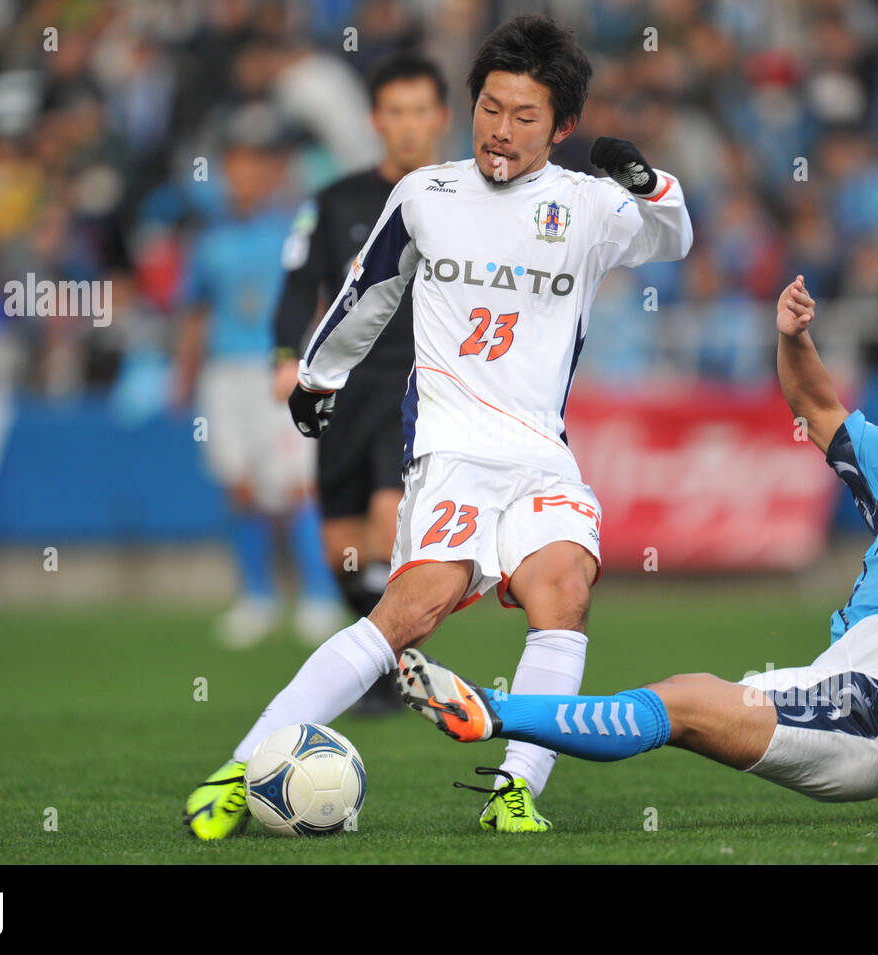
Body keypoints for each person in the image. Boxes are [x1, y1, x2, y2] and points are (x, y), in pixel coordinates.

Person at [184, 14, 693, 839]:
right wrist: (319, 374)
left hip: (539, 456)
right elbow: (368, 292)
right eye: (490, 107)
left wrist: (648, 182)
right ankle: (241, 770)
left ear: (560, 126)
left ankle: (514, 789)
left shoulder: (588, 206)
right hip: (451, 452)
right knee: (409, 614)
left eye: (525, 117)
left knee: (563, 589)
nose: (501, 130)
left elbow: (675, 238)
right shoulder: (425, 194)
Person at [393, 275, 878, 824]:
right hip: (842, 702)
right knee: (684, 698)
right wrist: (793, 339)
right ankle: (487, 711)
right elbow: (817, 405)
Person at [271, 53, 451, 713]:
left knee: (387, 521)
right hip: (346, 388)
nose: (409, 127)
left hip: (420, 388)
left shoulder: (465, 200)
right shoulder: (333, 201)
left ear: (442, 118)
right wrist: (286, 354)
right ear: (376, 119)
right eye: (396, 112)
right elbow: (297, 286)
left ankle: (380, 670)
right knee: (342, 550)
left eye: (421, 112)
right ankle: (393, 656)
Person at [172, 111, 344, 649]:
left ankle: (318, 597)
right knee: (241, 486)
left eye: (255, 166)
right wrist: (185, 373)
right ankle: (258, 598)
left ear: (271, 172)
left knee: (298, 485)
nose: (245, 176)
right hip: (226, 374)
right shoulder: (210, 239)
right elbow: (197, 311)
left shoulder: (293, 229)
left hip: (281, 366)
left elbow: (317, 297)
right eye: (236, 166)